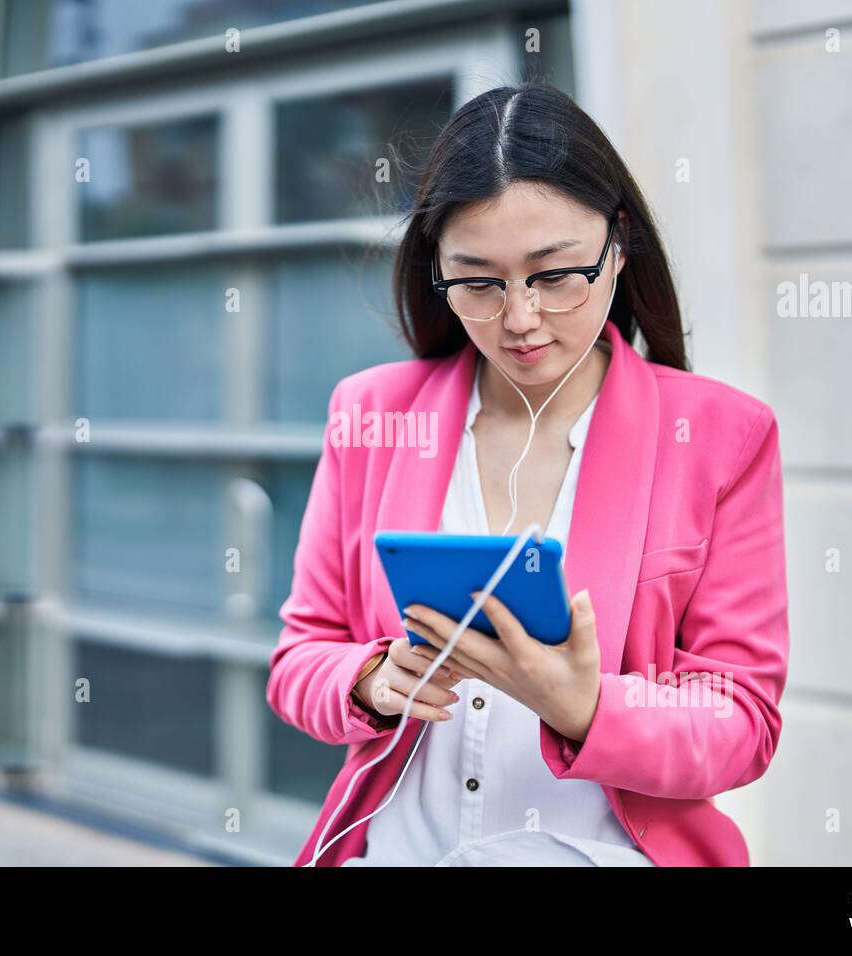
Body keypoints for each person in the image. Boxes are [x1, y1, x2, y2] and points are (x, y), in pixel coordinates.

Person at [265, 81, 789, 867]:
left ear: (617, 244)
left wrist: (586, 706)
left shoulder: (722, 437)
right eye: (479, 280)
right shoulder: (371, 414)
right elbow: (300, 654)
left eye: (553, 275)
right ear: (435, 266)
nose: (519, 319)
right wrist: (369, 679)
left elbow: (742, 723)